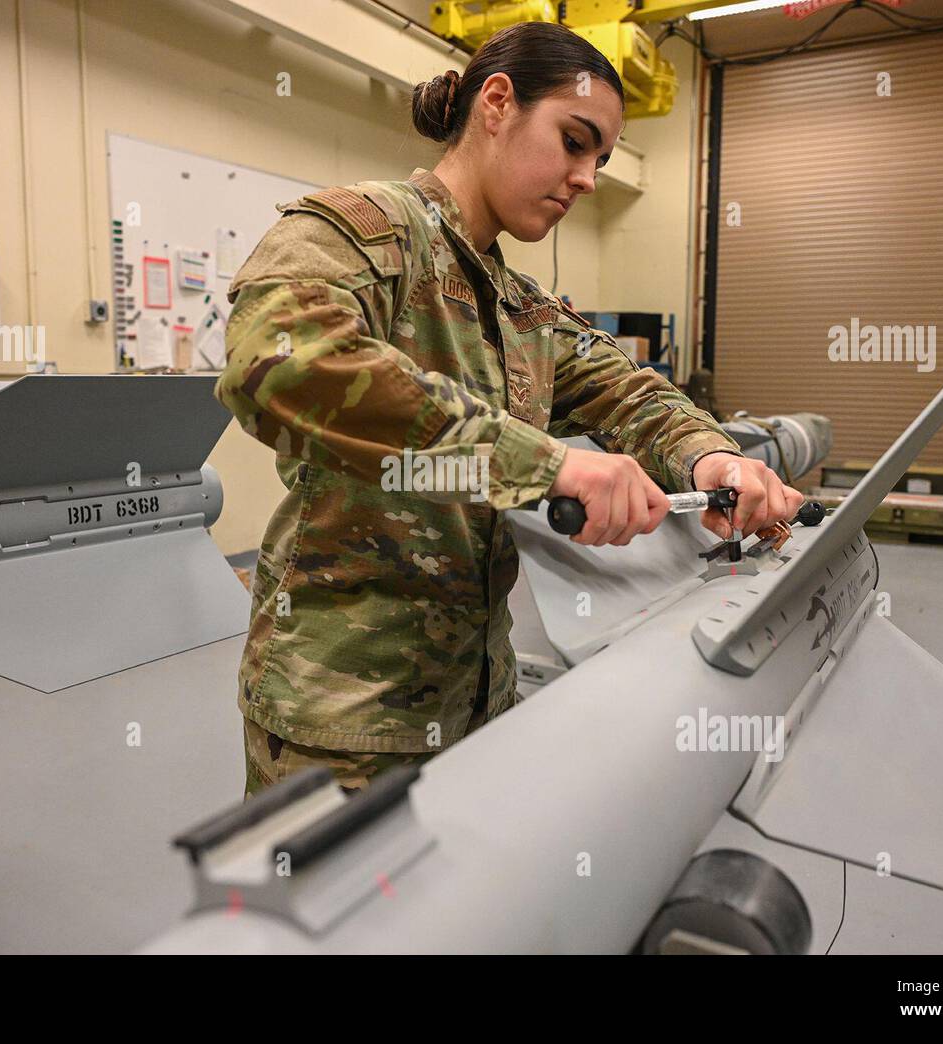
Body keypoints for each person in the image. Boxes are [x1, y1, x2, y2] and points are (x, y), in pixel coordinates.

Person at [217, 22, 802, 798]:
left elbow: (632, 394)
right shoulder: (363, 233)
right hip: (347, 717)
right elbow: (282, 366)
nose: (588, 177)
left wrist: (714, 457)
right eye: (575, 141)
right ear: (497, 103)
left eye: (599, 158)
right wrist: (549, 465)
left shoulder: (521, 305)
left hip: (477, 701)